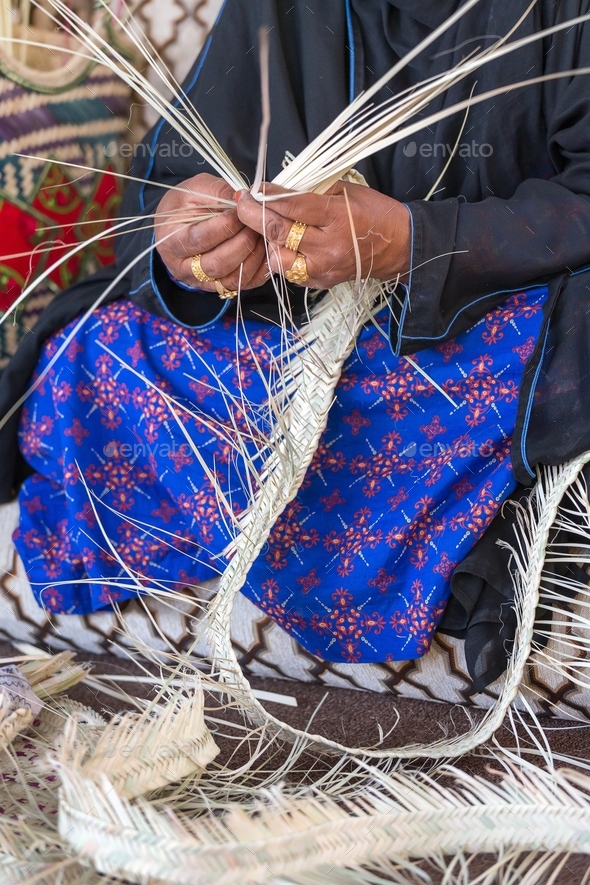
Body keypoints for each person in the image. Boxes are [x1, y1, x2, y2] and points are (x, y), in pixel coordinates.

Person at [1, 0, 590, 687]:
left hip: (484, 344)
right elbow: (167, 194)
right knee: (95, 352)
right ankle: (438, 506)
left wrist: (413, 242)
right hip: (298, 350)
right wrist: (189, 239)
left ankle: (469, 508)